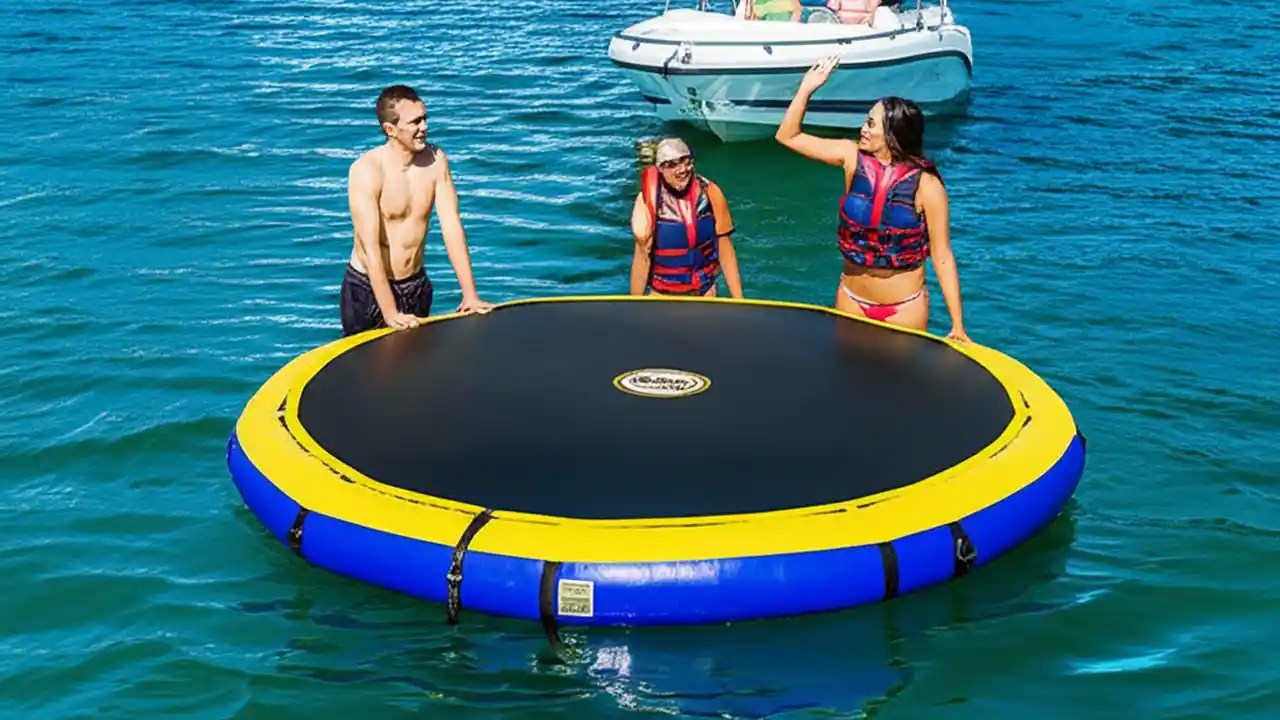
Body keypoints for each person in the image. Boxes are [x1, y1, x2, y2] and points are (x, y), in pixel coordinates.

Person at [774, 56, 969, 341]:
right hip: (851, 301)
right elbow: (788, 136)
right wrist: (806, 89)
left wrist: (957, 325)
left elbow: (942, 256)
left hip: (905, 310)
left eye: (870, 124)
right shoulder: (850, 157)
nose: (862, 129)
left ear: (892, 135)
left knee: (898, 385)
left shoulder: (927, 185)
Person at [341, 84, 493, 336]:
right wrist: (389, 312)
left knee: (413, 366)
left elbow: (452, 226)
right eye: (415, 122)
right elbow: (370, 250)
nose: (424, 127)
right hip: (368, 289)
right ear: (390, 129)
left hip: (415, 284)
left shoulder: (435, 161)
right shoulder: (367, 170)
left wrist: (470, 294)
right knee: (368, 370)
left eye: (424, 119)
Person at [629, 138, 744, 299]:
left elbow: (725, 250)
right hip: (661, 295)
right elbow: (642, 256)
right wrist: (635, 304)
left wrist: (739, 301)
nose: (682, 169)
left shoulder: (711, 193)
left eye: (686, 161)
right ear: (660, 168)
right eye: (672, 165)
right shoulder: (647, 201)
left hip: (704, 293)